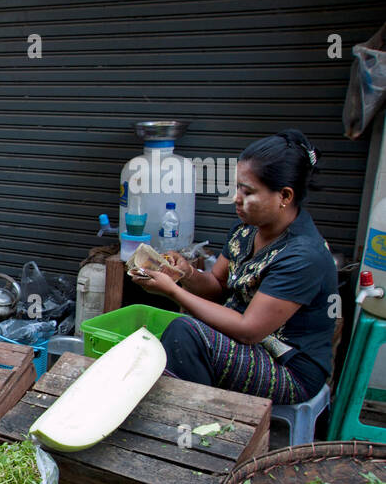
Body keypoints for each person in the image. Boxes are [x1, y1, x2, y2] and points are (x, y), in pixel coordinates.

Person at [132, 129, 337, 404]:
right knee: (170, 335)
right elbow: (217, 287)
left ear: (284, 196)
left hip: (289, 367)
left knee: (185, 333)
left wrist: (173, 291)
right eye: (237, 187)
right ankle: (189, 415)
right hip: (245, 343)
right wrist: (185, 274)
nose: (236, 198)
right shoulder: (247, 231)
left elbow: (249, 330)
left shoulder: (303, 256)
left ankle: (195, 419)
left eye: (248, 191)